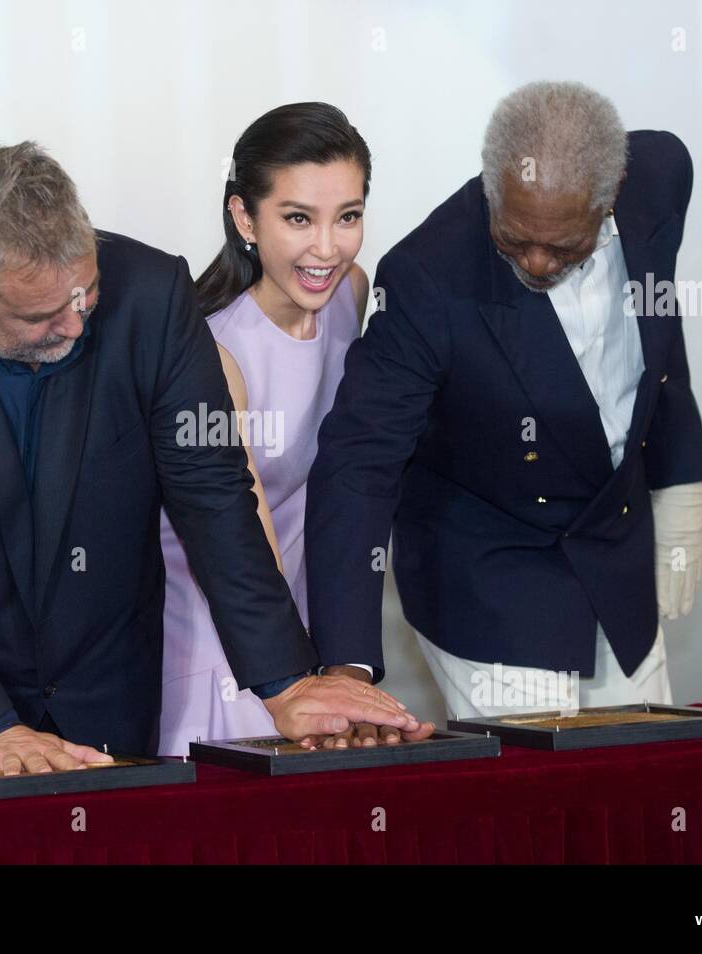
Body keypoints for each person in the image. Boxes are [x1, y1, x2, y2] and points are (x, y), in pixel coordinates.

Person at [0, 142, 424, 863]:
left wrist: (285, 680)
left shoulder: (152, 294)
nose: (75, 324)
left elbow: (213, 491)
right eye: (42, 316)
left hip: (98, 697)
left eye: (85, 296)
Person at [305, 81, 702, 722]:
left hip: (616, 550)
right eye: (515, 239)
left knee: (645, 787)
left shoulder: (661, 177)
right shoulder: (427, 276)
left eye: (563, 245)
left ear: (611, 196)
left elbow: (658, 327)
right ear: (493, 185)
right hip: (487, 565)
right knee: (539, 802)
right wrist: (345, 663)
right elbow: (360, 461)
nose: (539, 262)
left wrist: (681, 480)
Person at [157, 104, 435, 755]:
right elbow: (242, 521)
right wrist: (305, 673)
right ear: (243, 218)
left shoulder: (351, 292)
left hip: (306, 616)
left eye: (348, 216)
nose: (327, 247)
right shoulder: (214, 352)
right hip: (228, 628)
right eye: (297, 218)